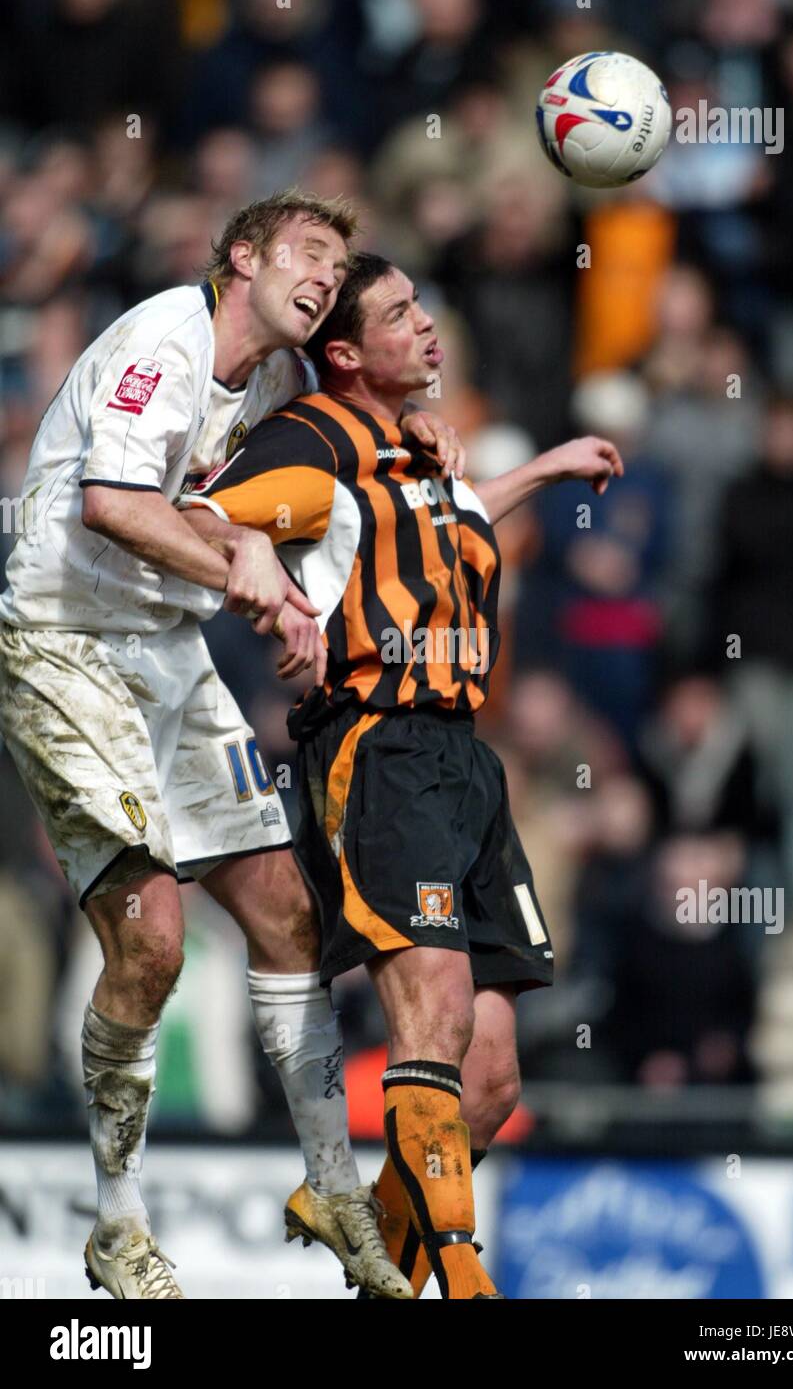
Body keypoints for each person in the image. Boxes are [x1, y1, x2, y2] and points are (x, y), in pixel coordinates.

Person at [0, 193, 462, 1300]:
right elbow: (113, 502)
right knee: (154, 943)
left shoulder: (274, 380)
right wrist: (242, 568)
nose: (322, 275)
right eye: (305, 253)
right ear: (240, 258)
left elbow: (333, 450)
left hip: (162, 649)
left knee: (285, 913)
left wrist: (412, 427)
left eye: (336, 263)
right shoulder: (165, 338)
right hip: (62, 643)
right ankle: (118, 1219)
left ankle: (333, 1186)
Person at [179, 251, 623, 1297]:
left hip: (465, 758)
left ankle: (367, 1235)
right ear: (342, 353)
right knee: (430, 1018)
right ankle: (464, 1282)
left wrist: (539, 472)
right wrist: (260, 580)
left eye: (423, 304)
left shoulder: (416, 451)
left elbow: (438, 529)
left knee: (493, 1077)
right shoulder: (315, 441)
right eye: (399, 313)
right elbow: (211, 510)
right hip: (378, 749)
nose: (427, 326)